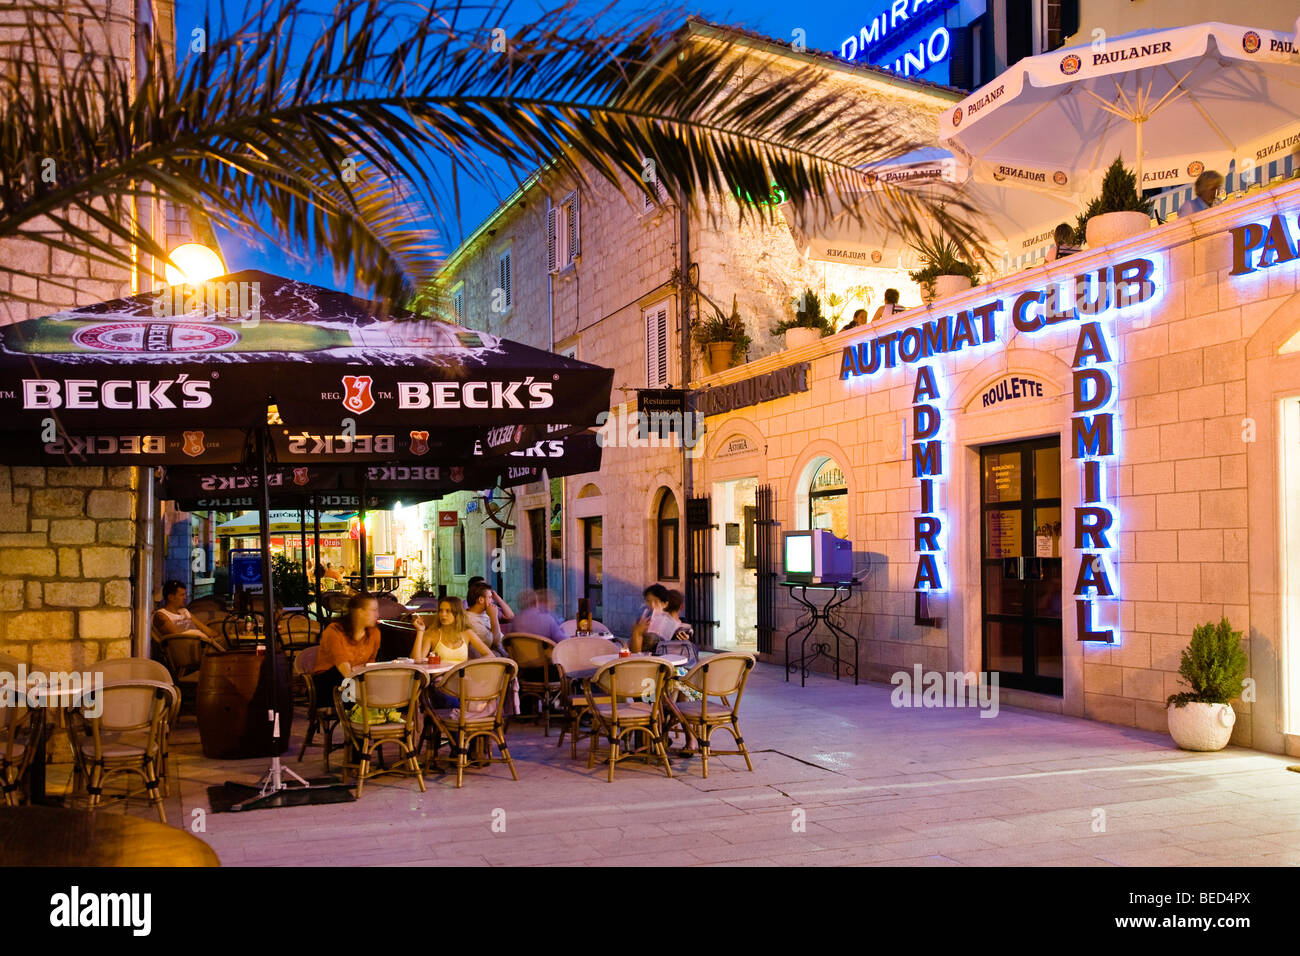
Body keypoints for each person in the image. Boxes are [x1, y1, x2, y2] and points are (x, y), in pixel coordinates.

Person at [312, 592, 414, 723]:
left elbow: (370, 664)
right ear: (359, 612)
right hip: (331, 684)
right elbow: (345, 670)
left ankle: (393, 720)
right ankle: (372, 715)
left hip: (357, 681)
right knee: (356, 682)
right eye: (373, 610)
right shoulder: (335, 631)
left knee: (396, 687)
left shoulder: (374, 633)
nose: (377, 615)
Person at [413, 597, 496, 713]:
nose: (443, 614)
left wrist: (470, 665)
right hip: (441, 683)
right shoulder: (432, 634)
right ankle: (459, 722)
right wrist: (420, 631)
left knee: (487, 696)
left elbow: (490, 655)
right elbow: (416, 661)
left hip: (463, 681)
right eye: (441, 610)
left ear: (457, 614)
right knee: (455, 704)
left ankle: (470, 721)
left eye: (448, 611)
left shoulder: (467, 633)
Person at [153, 580, 224, 645]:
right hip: (191, 648)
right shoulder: (161, 615)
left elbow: (203, 628)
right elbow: (177, 638)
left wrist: (217, 636)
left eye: (185, 595)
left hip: (203, 643)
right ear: (170, 597)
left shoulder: (184, 611)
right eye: (182, 595)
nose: (185, 598)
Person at [630, 584, 677, 654]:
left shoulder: (672, 623)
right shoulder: (641, 619)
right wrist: (636, 632)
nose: (652, 605)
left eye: (656, 601)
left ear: (665, 604)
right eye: (648, 601)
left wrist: (637, 633)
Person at [464, 580, 505, 653]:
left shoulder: (485, 613)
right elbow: (495, 644)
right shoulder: (471, 621)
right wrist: (494, 617)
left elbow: (510, 616)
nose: (492, 601)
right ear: (481, 600)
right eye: (490, 597)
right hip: (495, 656)